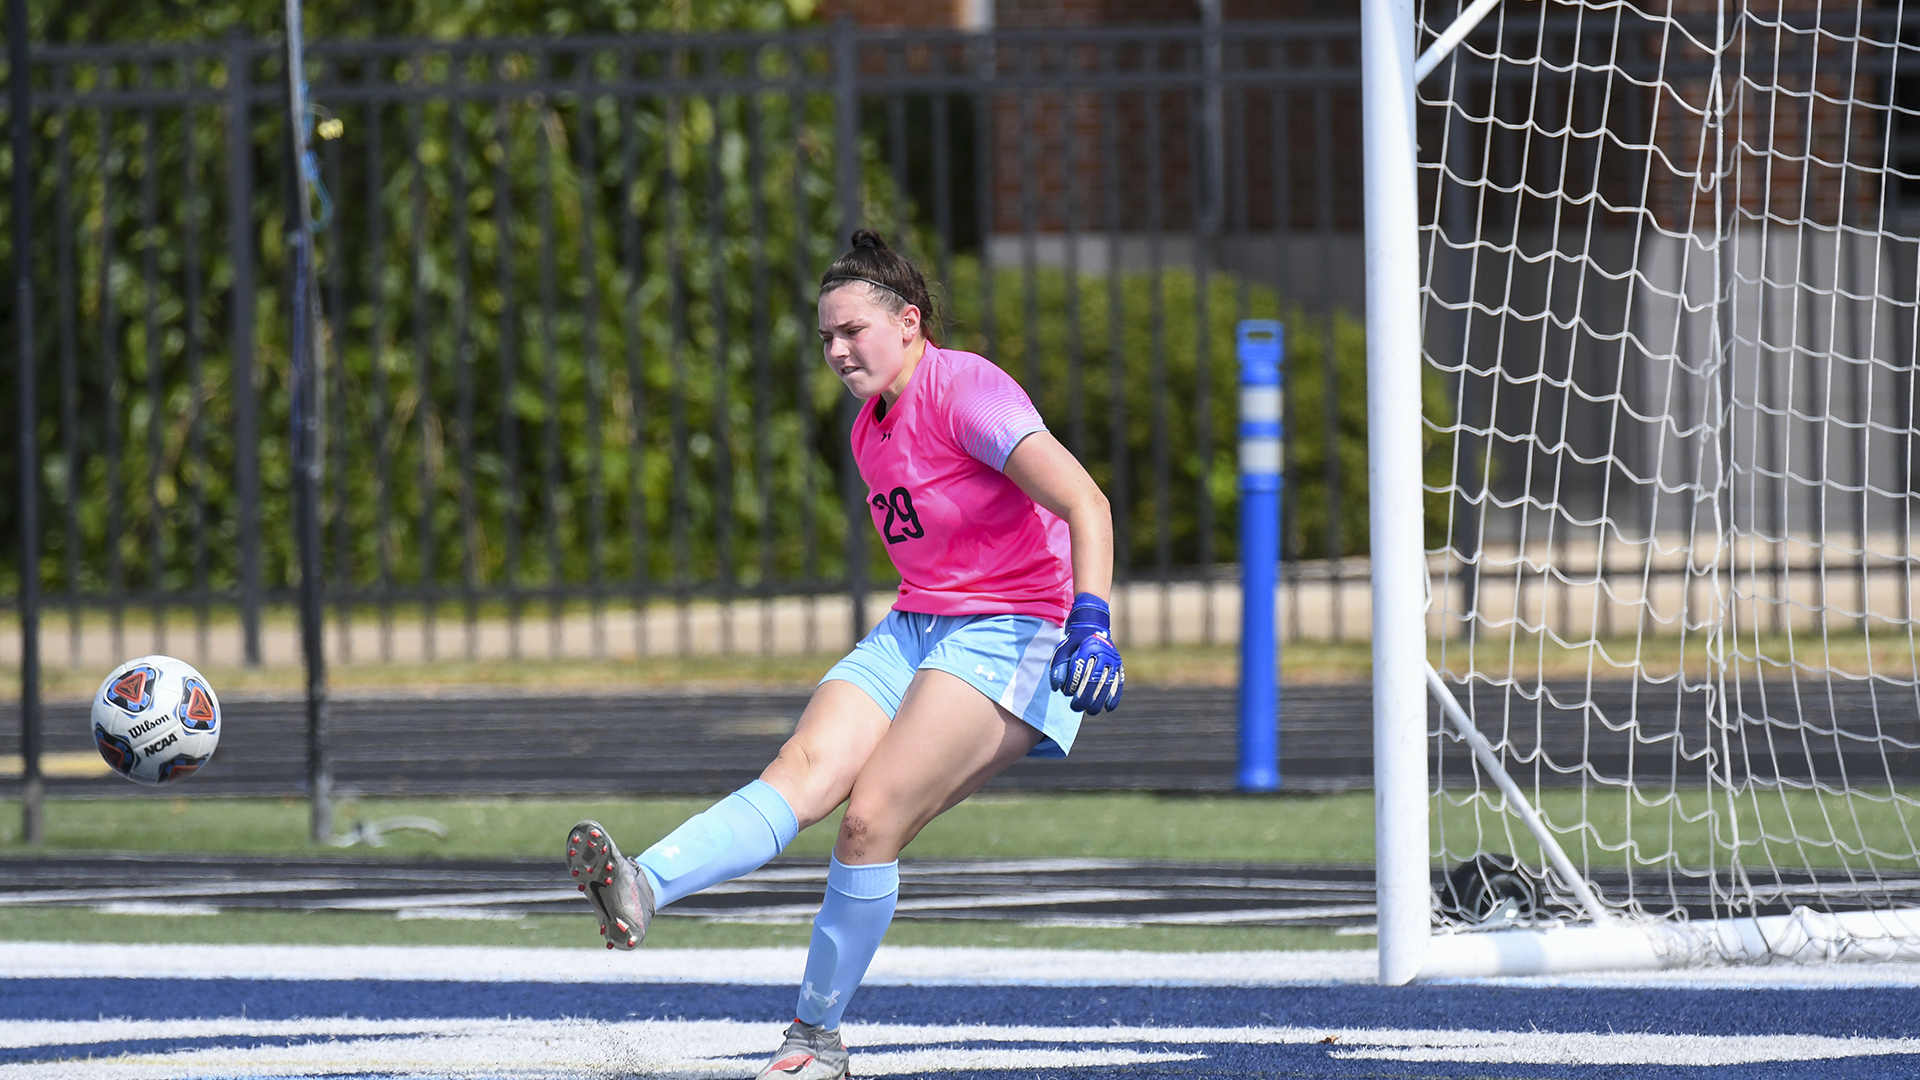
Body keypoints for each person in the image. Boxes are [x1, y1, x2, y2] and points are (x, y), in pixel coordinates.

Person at [565, 229, 1124, 1080]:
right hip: (916, 624)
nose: (834, 350)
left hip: (1016, 627)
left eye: (850, 331)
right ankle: (644, 885)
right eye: (825, 336)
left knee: (869, 821)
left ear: (908, 321)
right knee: (801, 772)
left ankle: (815, 1039)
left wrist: (1092, 621)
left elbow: (1087, 500)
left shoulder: (968, 389)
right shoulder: (870, 429)